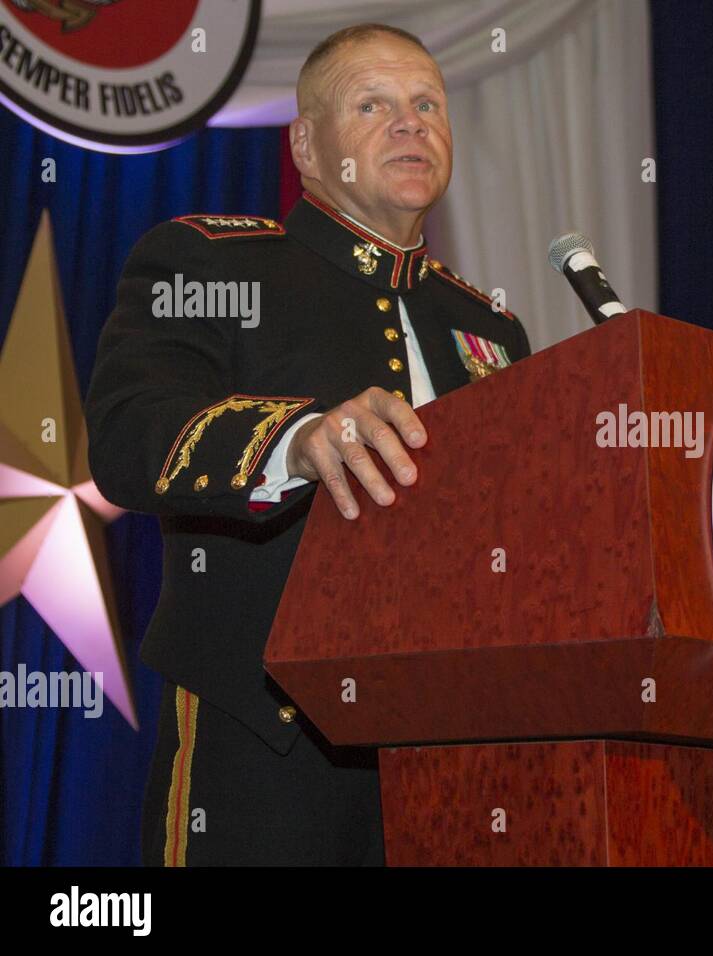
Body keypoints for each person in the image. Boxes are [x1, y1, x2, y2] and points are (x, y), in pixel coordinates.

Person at [85, 22, 530, 866]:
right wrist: (295, 439)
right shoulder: (216, 265)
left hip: (458, 755)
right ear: (308, 147)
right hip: (264, 735)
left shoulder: (491, 326)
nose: (411, 123)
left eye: (428, 103)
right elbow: (127, 432)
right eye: (374, 104)